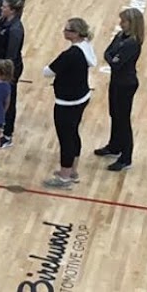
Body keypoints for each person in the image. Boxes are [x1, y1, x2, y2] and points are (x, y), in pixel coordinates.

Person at [43, 18, 97, 190]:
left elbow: (48, 72)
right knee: (73, 133)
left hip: (67, 102)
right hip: (81, 96)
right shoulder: (86, 46)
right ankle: (72, 170)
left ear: (74, 33)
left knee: (65, 137)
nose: (63, 31)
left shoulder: (70, 54)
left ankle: (64, 177)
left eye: (66, 29)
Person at [96, 8, 144, 171]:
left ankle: (126, 158)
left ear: (132, 23)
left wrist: (112, 57)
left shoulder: (132, 42)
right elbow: (108, 53)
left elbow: (115, 62)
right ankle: (114, 146)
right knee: (114, 114)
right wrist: (112, 57)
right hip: (116, 80)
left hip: (126, 84)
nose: (120, 23)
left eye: (123, 21)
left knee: (123, 119)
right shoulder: (120, 36)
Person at [0, 0, 25, 149]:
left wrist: (3, 76)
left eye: (4, 7)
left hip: (9, 70)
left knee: (10, 101)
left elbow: (10, 57)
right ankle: (0, 122)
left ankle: (8, 134)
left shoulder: (15, 29)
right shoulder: (4, 20)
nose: (1, 9)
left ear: (13, 10)